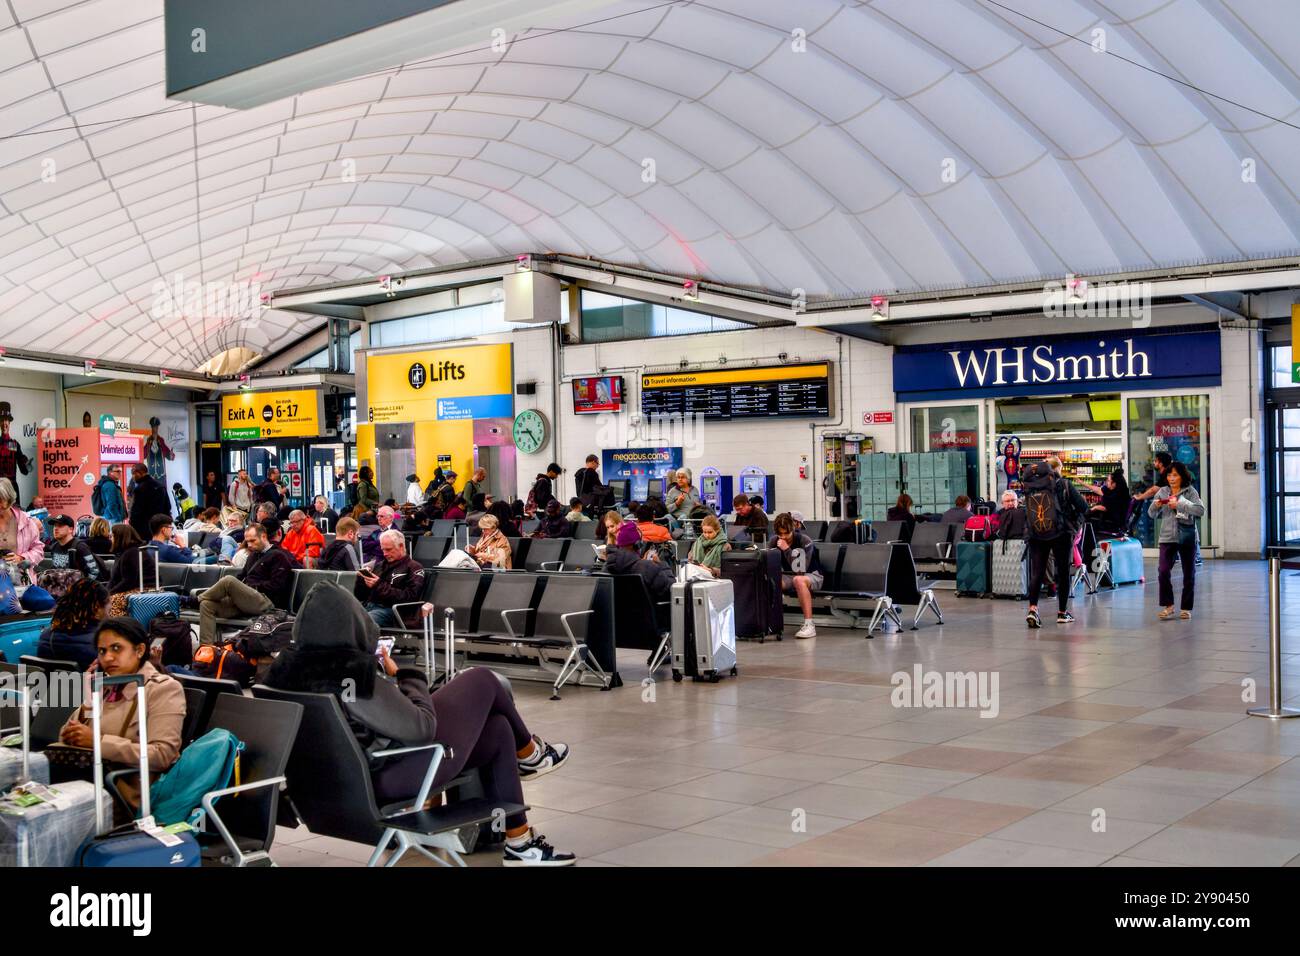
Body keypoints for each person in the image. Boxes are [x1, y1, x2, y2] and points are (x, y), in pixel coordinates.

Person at [265, 582, 574, 865]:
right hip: (389, 778)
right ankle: (531, 754)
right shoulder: (353, 676)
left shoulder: (281, 674)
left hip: (334, 786)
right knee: (481, 679)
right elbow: (422, 727)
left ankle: (519, 841)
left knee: (497, 731)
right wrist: (404, 674)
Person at [57, 616, 185, 813]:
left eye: (117, 648)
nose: (108, 657)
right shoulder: (104, 687)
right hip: (87, 785)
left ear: (140, 650)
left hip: (127, 795)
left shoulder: (163, 689)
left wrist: (98, 742)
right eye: (102, 651)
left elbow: (163, 754)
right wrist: (89, 702)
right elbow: (66, 736)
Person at [197, 521, 295, 645]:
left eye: (253, 541)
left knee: (228, 581)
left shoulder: (279, 557)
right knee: (206, 605)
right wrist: (242, 589)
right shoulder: (253, 556)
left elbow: (277, 587)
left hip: (266, 602)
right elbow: (241, 577)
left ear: (263, 537)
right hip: (246, 601)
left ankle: (195, 599)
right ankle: (206, 649)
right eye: (247, 541)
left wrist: (251, 587)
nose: (249, 544)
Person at [1024, 458, 1088, 629]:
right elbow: (1083, 507)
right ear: (1057, 468)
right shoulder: (1064, 484)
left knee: (1037, 572)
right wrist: (1075, 523)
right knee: (1063, 572)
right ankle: (1062, 612)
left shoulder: (1031, 487)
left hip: (1037, 533)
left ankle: (1033, 609)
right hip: (1061, 533)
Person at [1150, 460, 1204, 620]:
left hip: (1187, 536)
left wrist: (1180, 504)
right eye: (1169, 475)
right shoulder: (1162, 492)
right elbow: (1151, 514)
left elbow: (1200, 510)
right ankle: (1169, 605)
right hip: (1167, 537)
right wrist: (1156, 506)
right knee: (1163, 571)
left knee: (1189, 573)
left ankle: (1186, 608)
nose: (1171, 478)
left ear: (1182, 476)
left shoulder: (1190, 492)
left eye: (1175, 475)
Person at [355, 530, 426, 630]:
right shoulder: (380, 565)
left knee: (361, 621)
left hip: (394, 611)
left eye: (388, 550)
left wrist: (378, 585)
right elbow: (361, 595)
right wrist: (361, 580)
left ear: (401, 546)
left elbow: (410, 597)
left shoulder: (414, 568)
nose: (384, 554)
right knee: (343, 616)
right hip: (370, 606)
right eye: (383, 550)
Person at [771, 512, 823, 639]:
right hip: (789, 576)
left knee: (798, 580)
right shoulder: (774, 541)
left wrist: (787, 549)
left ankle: (809, 625)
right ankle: (771, 622)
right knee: (772, 581)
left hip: (811, 575)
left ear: (793, 529)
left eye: (786, 533)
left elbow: (801, 570)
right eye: (780, 534)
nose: (783, 537)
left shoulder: (804, 541)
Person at [37, 579, 109, 671]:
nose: (110, 608)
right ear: (98, 608)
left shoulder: (46, 635)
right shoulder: (101, 644)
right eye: (108, 602)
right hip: (91, 684)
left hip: (51, 684)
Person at [604, 522, 674, 602]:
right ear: (638, 544)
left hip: (616, 614)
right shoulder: (648, 568)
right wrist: (662, 565)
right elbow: (670, 590)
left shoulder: (606, 568)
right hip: (648, 614)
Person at [0, 477, 44, 574]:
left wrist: (21, 558)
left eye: (1, 500)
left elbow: (38, 550)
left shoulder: (26, 521)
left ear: (9, 498)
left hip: (20, 580)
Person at [46, 514, 102, 582]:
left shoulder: (80, 547)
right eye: (55, 526)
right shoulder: (54, 546)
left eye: (60, 526)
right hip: (60, 588)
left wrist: (81, 587)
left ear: (70, 529)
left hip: (78, 588)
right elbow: (55, 569)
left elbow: (94, 572)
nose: (55, 528)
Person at [126, 463, 170, 542]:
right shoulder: (160, 486)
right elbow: (167, 506)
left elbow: (136, 511)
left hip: (143, 528)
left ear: (139, 473)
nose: (133, 477)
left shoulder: (140, 489)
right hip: (159, 526)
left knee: (145, 551)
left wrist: (132, 524)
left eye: (133, 474)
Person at [0, 404, 32, 506]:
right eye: (2, 420)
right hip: (0, 489)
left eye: (6, 421)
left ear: (9, 423)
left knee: (15, 517)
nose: (4, 423)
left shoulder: (14, 444)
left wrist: (26, 463)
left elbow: (24, 470)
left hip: (12, 489)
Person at [1089, 469, 1132, 536]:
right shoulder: (1120, 491)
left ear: (1114, 484)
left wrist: (1095, 507)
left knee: (1087, 516)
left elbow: (1106, 508)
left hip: (1112, 524)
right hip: (1114, 520)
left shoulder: (1116, 496)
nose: (1106, 482)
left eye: (1108, 480)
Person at [142, 417, 175, 482]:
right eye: (153, 427)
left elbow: (167, 453)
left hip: (161, 473)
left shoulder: (161, 441)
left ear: (157, 428)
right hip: (151, 473)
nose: (154, 429)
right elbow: (144, 454)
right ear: (151, 428)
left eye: (156, 427)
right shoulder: (149, 441)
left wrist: (170, 455)